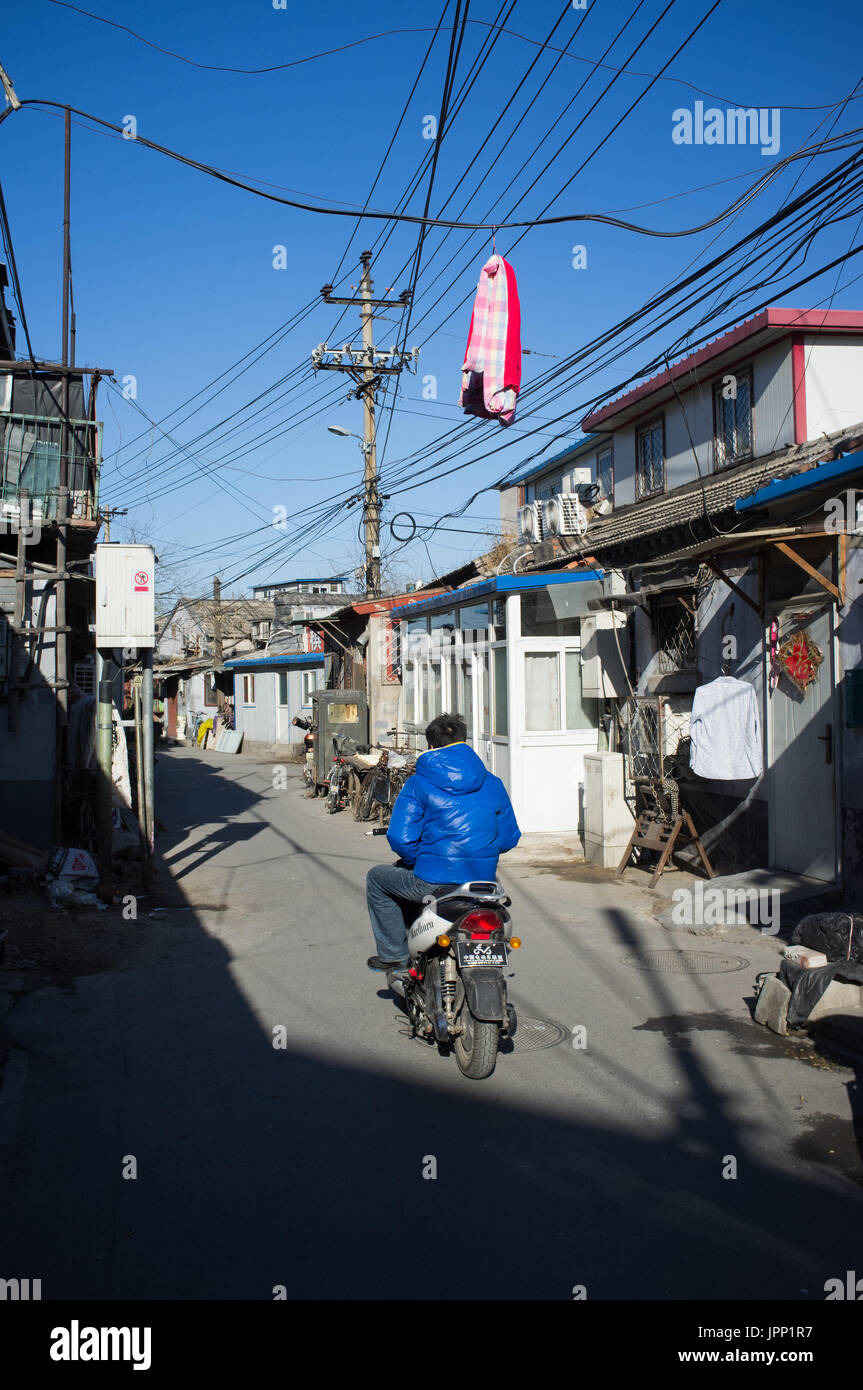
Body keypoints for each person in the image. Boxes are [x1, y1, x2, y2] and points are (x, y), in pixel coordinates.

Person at [366, 713, 521, 985]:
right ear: (463, 740)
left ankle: (394, 956)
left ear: (431, 746)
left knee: (377, 879)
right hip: (482, 881)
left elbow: (400, 838)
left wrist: (418, 859)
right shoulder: (492, 782)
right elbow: (508, 839)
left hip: (433, 881)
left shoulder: (418, 783)